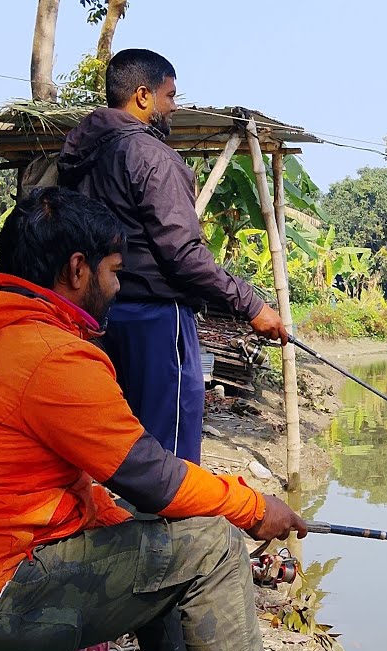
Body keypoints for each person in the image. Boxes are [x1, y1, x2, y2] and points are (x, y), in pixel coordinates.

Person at [0, 187, 307, 651]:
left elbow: (133, 491)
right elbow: (151, 476)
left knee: (152, 519)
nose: (117, 285)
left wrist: (148, 515)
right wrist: (253, 507)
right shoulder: (49, 355)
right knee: (215, 545)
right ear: (77, 269)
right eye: (114, 271)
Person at [58, 48, 286, 465]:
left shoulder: (76, 158)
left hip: (95, 318)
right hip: (155, 320)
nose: (174, 108)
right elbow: (182, 254)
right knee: (170, 452)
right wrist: (252, 306)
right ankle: (170, 527)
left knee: (116, 446)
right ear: (143, 96)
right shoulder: (151, 157)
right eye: (170, 96)